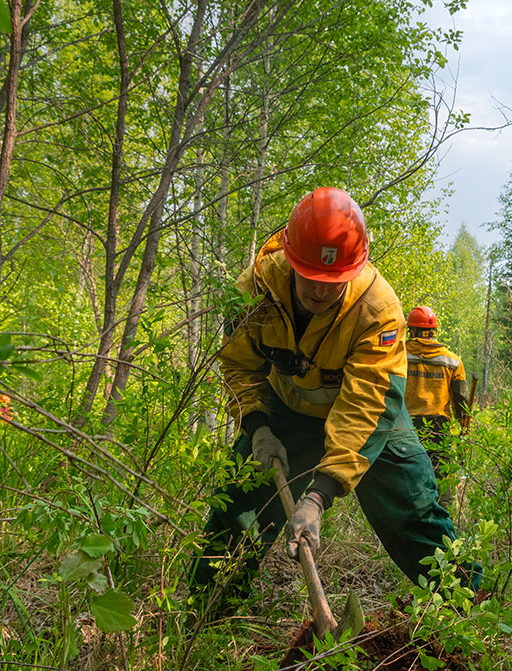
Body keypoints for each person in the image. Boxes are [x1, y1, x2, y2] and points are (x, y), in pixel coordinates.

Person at [188, 187, 464, 615]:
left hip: (369, 415)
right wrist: (258, 427)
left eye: (333, 282)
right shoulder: (255, 290)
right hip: (285, 409)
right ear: (291, 260)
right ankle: (200, 618)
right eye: (310, 276)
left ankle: (473, 612)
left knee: (414, 511)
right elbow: (238, 366)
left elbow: (365, 404)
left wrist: (317, 497)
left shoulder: (379, 311)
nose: (320, 291)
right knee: (240, 510)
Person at [403, 306, 469, 506]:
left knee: (408, 478)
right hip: (439, 428)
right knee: (441, 483)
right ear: (434, 333)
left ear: (412, 332)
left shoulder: (397, 355)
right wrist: (465, 428)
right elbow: (461, 401)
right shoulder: (453, 361)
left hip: (405, 426)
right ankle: (444, 526)